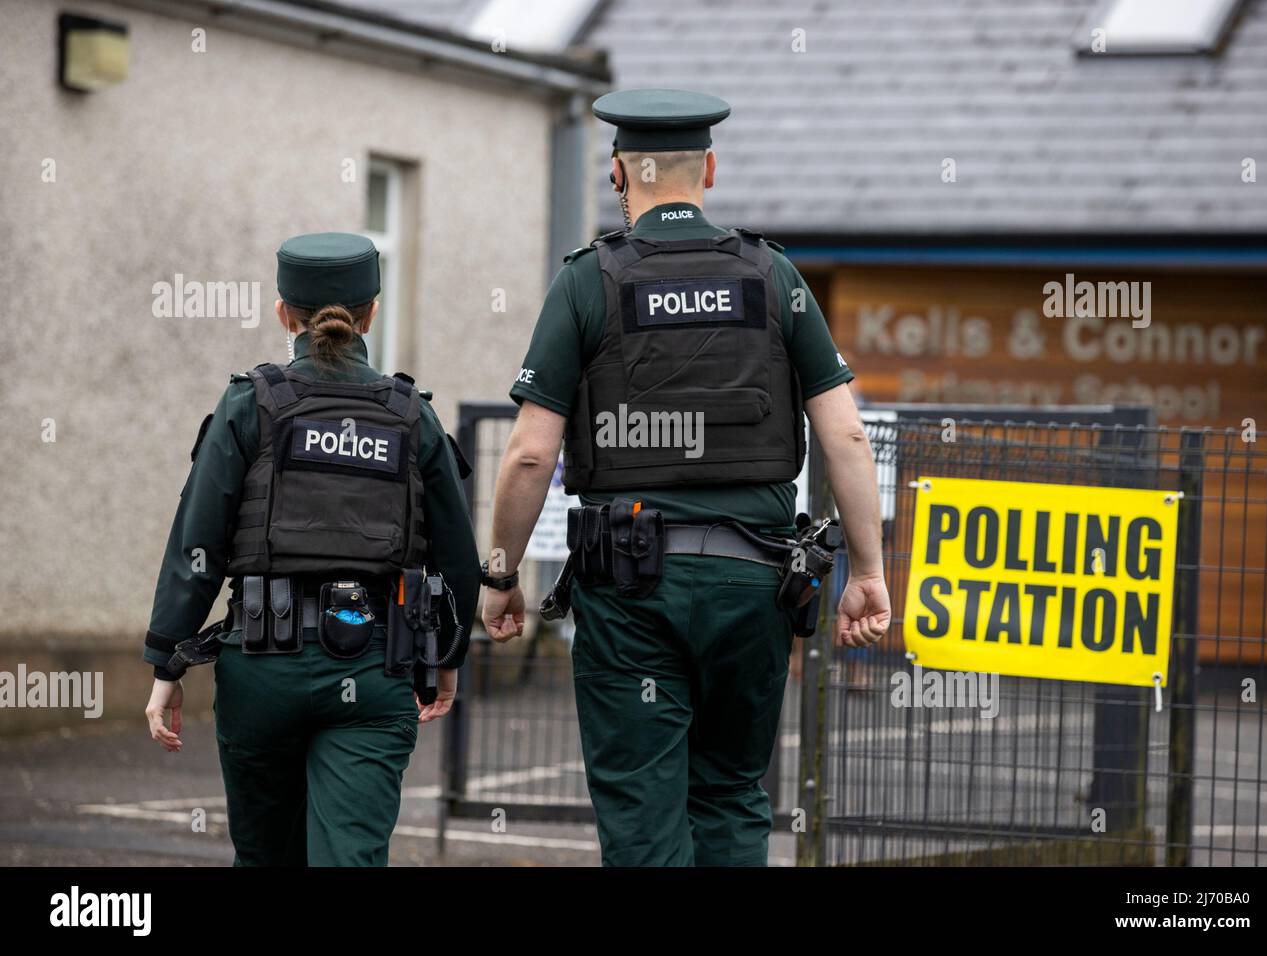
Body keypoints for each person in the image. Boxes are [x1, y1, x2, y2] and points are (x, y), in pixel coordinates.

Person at [480, 89, 891, 866]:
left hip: (630, 590)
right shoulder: (774, 277)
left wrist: (500, 574)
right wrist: (866, 571)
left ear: (618, 175)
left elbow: (531, 453)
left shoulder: (585, 283)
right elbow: (843, 432)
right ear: (708, 168)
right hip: (755, 586)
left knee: (641, 804)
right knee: (734, 793)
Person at [142, 232, 480, 867]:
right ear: (370, 314)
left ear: (282, 313)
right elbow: (456, 556)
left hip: (263, 668)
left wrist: (168, 663)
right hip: (375, 668)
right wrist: (447, 660)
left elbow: (197, 544)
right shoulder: (411, 415)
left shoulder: (251, 403)